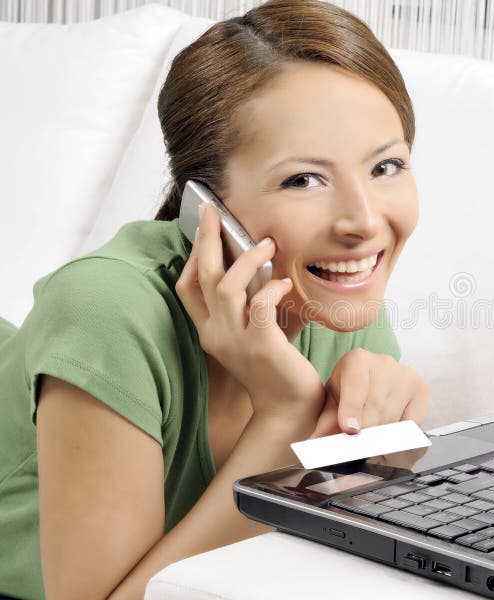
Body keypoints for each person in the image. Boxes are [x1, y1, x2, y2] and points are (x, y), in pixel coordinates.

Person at [0, 1, 430, 598]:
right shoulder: (105, 313)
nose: (362, 221)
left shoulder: (333, 297)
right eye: (303, 179)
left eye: (387, 165)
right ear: (206, 205)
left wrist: (384, 460)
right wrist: (285, 416)